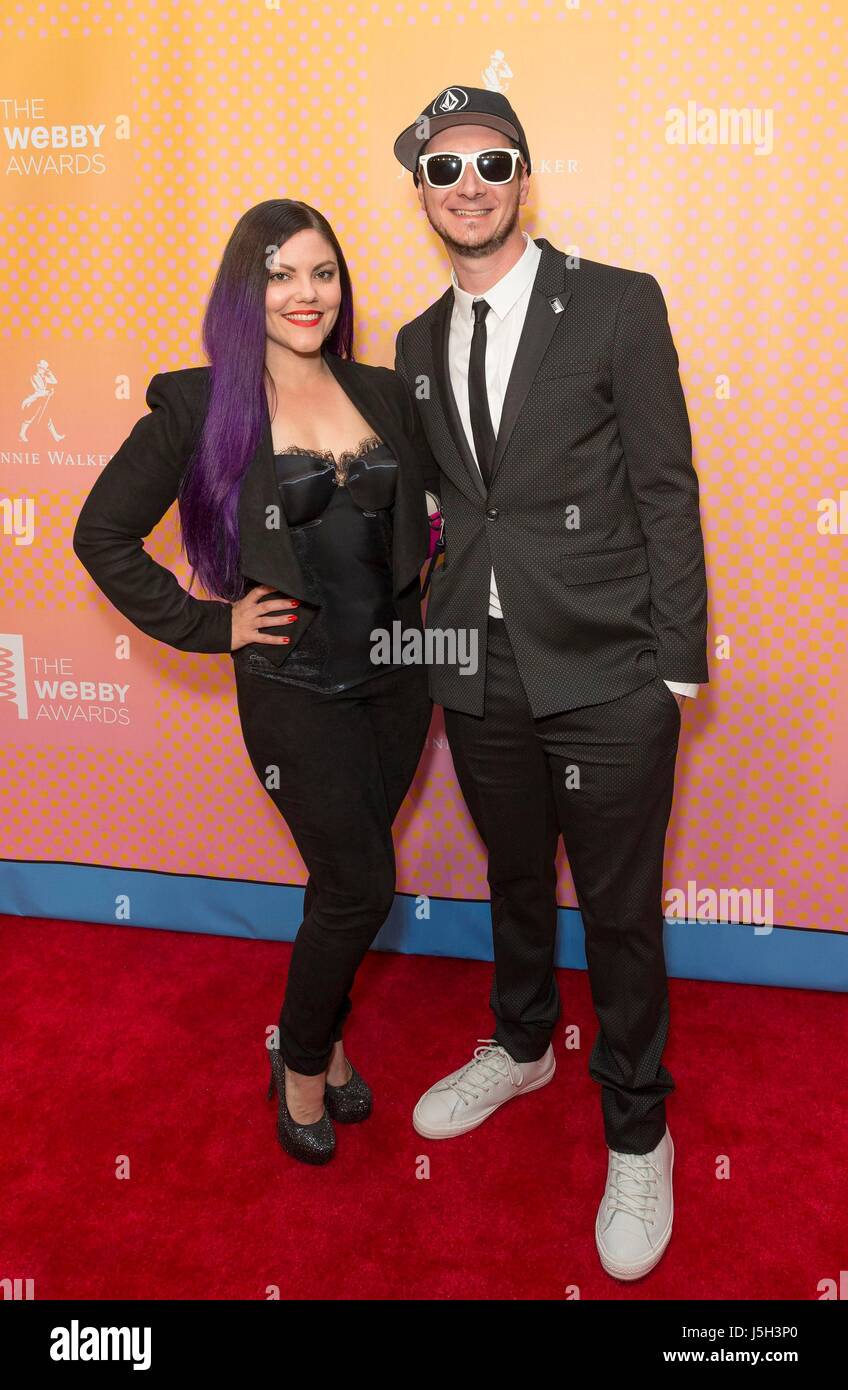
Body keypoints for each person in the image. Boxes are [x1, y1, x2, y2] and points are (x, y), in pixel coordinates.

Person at [392, 88, 709, 1278]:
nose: (467, 183)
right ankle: (522, 1043)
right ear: (419, 190)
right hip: (477, 670)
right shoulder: (417, 343)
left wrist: (670, 671)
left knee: (621, 912)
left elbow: (666, 489)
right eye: (442, 167)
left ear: (523, 175)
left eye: (491, 161)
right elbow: (439, 509)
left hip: (611, 670)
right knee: (514, 876)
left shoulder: (618, 303)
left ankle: (638, 1126)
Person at [73, 200, 438, 1167]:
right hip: (293, 685)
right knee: (363, 886)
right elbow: (100, 534)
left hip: (401, 680)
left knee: (341, 881)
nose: (305, 294)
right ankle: (301, 1065)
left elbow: (439, 517)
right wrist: (209, 624)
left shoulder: (385, 391)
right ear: (247, 290)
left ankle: (326, 1031)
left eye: (322, 273)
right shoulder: (201, 404)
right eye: (280, 275)